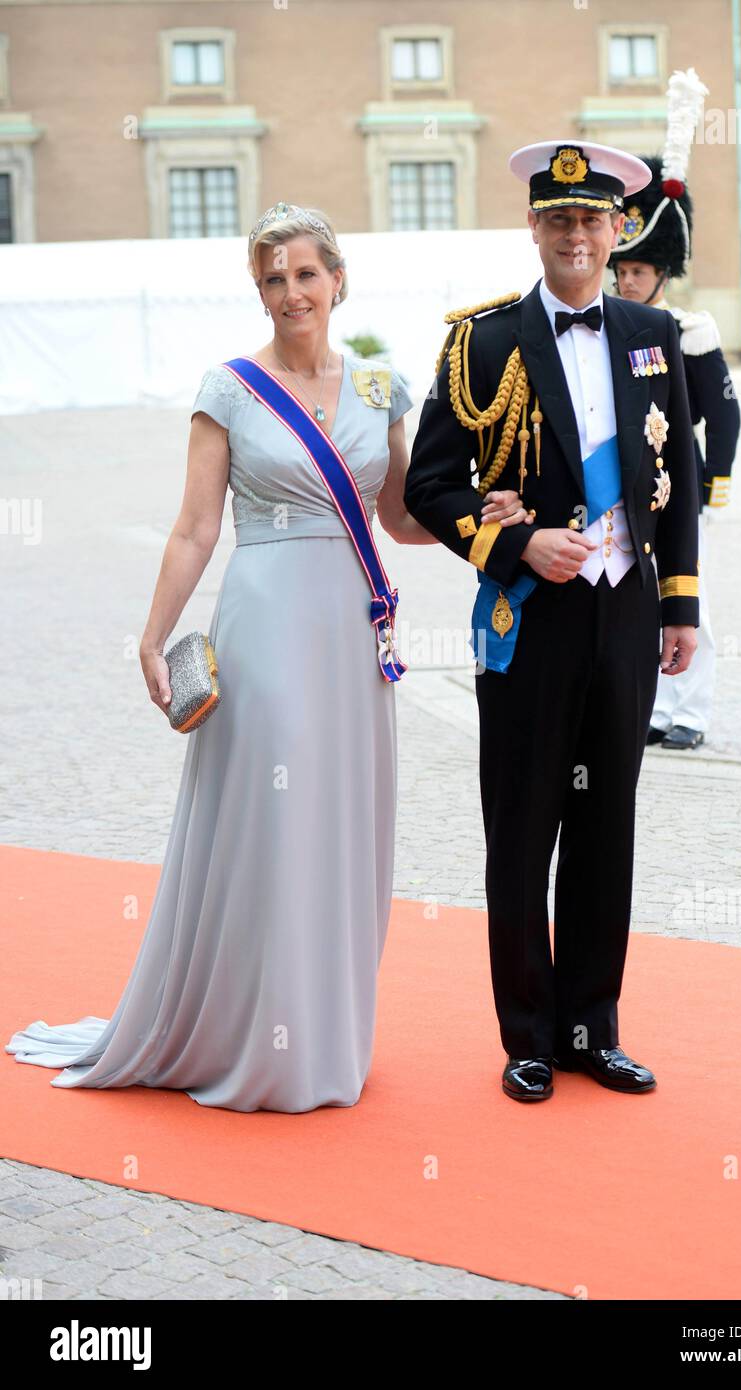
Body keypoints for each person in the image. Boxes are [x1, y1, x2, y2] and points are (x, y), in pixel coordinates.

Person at [5, 201, 531, 1114]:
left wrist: (478, 515)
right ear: (261, 290)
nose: (291, 292)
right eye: (273, 278)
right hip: (269, 625)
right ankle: (252, 1033)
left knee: (340, 820)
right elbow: (195, 528)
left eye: (305, 274)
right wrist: (150, 631)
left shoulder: (379, 389)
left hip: (356, 633)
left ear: (337, 280)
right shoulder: (228, 389)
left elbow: (402, 518)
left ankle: (322, 1032)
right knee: (275, 820)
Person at [404, 141, 700, 1102]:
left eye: (592, 220)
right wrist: (514, 545)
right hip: (531, 622)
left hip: (622, 616)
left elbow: (680, 481)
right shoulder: (480, 342)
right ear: (533, 228)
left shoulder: (654, 329)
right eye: (557, 219)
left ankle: (590, 1027)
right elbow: (431, 485)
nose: (575, 235)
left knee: (605, 826)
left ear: (617, 232)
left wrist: (679, 605)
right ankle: (527, 1032)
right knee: (523, 828)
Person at [609, 69, 741, 751]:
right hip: (626, 482)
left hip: (678, 480)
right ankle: (656, 707)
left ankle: (691, 710)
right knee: (637, 597)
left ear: (662, 271)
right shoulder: (609, 327)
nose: (626, 279)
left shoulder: (688, 329)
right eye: (621, 270)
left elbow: (724, 414)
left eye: (637, 271)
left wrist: (713, 483)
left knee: (691, 599)